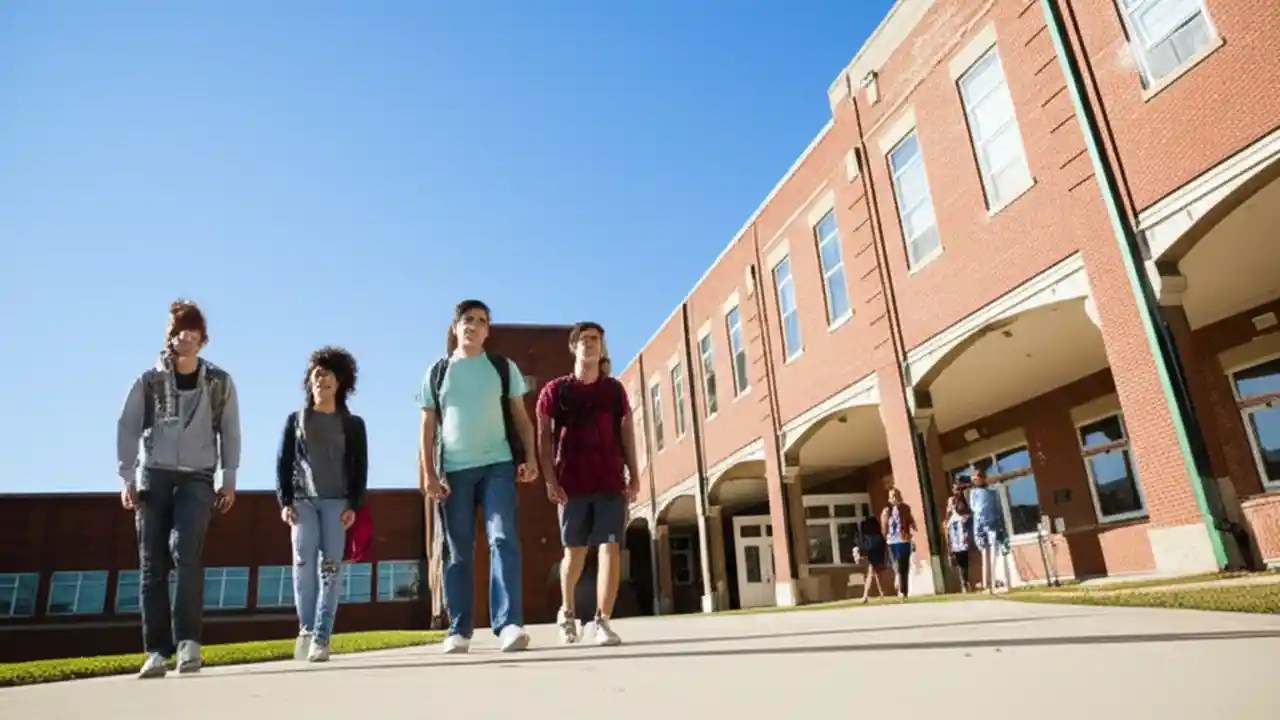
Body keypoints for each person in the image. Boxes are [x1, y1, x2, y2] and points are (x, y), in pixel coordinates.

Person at [116, 300, 241, 679]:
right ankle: (156, 651)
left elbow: (230, 430)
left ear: (202, 341)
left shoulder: (218, 382)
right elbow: (128, 427)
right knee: (152, 562)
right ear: (169, 338)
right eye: (177, 331)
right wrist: (127, 477)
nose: (183, 337)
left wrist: (229, 477)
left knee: (185, 552)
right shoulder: (149, 380)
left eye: (191, 332)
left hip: (198, 477)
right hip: (154, 475)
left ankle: (189, 643)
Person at [418, 299, 538, 654]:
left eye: (481, 321)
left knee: (502, 537)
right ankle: (459, 629)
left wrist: (530, 458)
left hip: (498, 465)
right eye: (467, 319)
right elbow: (426, 426)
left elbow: (521, 416)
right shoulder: (437, 372)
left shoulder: (501, 368)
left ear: (488, 330)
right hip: (453, 472)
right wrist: (429, 474)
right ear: (455, 327)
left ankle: (509, 624)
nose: (473, 325)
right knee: (458, 552)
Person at [535, 322, 640, 646]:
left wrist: (634, 473)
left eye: (596, 339)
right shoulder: (556, 391)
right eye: (584, 339)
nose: (590, 344)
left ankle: (601, 621)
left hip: (609, 480)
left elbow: (626, 432)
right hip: (572, 484)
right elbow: (543, 438)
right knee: (575, 554)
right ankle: (567, 611)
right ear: (573, 347)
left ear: (602, 347)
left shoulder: (614, 390)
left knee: (610, 548)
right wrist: (550, 479)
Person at [276, 347, 368, 662]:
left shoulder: (353, 424)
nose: (322, 378)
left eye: (329, 373)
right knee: (302, 562)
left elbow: (360, 468)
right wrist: (284, 500)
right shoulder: (296, 420)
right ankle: (305, 627)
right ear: (310, 381)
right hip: (302, 502)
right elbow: (283, 462)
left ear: (340, 382)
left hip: (337, 503)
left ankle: (321, 635)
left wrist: (354, 504)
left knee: (330, 568)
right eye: (317, 372)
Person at [969, 468, 1010, 593]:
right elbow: (975, 508)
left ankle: (994, 580)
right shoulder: (974, 493)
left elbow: (997, 508)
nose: (976, 480)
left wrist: (999, 522)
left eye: (978, 477)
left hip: (993, 524)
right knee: (984, 551)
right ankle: (986, 582)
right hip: (981, 524)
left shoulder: (992, 492)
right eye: (975, 478)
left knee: (994, 551)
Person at [879, 487, 917, 602]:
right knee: (897, 566)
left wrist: (913, 532)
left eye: (895, 496)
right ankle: (898, 582)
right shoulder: (886, 511)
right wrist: (883, 539)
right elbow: (884, 527)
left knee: (904, 567)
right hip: (892, 542)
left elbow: (911, 522)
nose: (893, 498)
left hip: (904, 540)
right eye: (891, 496)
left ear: (899, 496)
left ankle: (904, 592)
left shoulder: (905, 508)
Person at [945, 487, 974, 593]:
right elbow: (946, 531)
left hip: (963, 541)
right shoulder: (949, 518)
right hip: (955, 542)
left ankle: (966, 583)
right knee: (959, 564)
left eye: (952, 503)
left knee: (965, 563)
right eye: (949, 504)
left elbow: (968, 520)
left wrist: (967, 535)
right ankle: (964, 583)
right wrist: (949, 545)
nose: (951, 505)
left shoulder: (963, 512)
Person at [854, 514, 888, 603]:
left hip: (872, 553)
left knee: (872, 574)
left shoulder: (868, 535)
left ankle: (867, 595)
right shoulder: (878, 535)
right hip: (878, 552)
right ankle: (881, 593)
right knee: (876, 573)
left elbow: (864, 545)